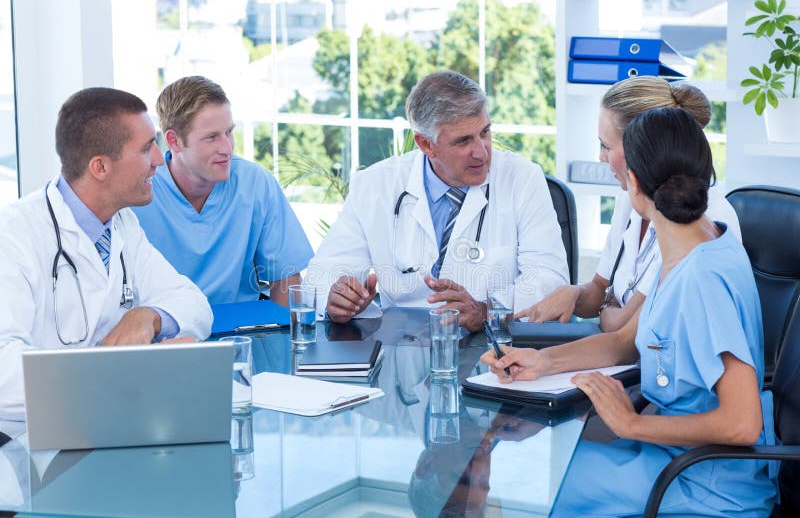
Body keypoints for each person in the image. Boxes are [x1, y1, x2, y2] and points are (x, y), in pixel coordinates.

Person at [484, 108, 777, 518]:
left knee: (529, 486)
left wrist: (630, 424)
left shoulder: (703, 278)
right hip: (673, 457)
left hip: (708, 483)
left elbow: (743, 423)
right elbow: (626, 341)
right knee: (535, 462)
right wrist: (541, 361)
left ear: (634, 183)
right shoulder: (692, 241)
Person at [0, 87, 212, 419]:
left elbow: (195, 305)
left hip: (110, 421)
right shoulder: (13, 235)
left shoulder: (122, 225)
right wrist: (112, 371)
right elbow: (3, 372)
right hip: (29, 439)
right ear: (100, 167)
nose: (159, 159)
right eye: (146, 149)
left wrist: (148, 317)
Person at [305, 70, 568, 332]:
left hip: (492, 345)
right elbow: (319, 277)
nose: (482, 151)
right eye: (463, 141)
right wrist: (335, 297)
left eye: (485, 132)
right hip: (402, 351)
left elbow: (551, 279)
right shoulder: (374, 186)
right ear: (426, 144)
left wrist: (489, 310)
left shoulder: (522, 178)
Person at [516, 76, 741, 332]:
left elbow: (626, 331)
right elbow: (601, 289)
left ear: (641, 145)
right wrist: (575, 294)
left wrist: (608, 311)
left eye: (606, 146)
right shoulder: (631, 197)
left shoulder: (703, 214)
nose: (601, 157)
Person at [133, 76, 313, 306]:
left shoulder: (255, 184)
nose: (227, 148)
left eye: (229, 132)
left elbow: (285, 280)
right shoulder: (139, 192)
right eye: (211, 138)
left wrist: (281, 339)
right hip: (165, 334)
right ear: (174, 141)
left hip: (240, 332)